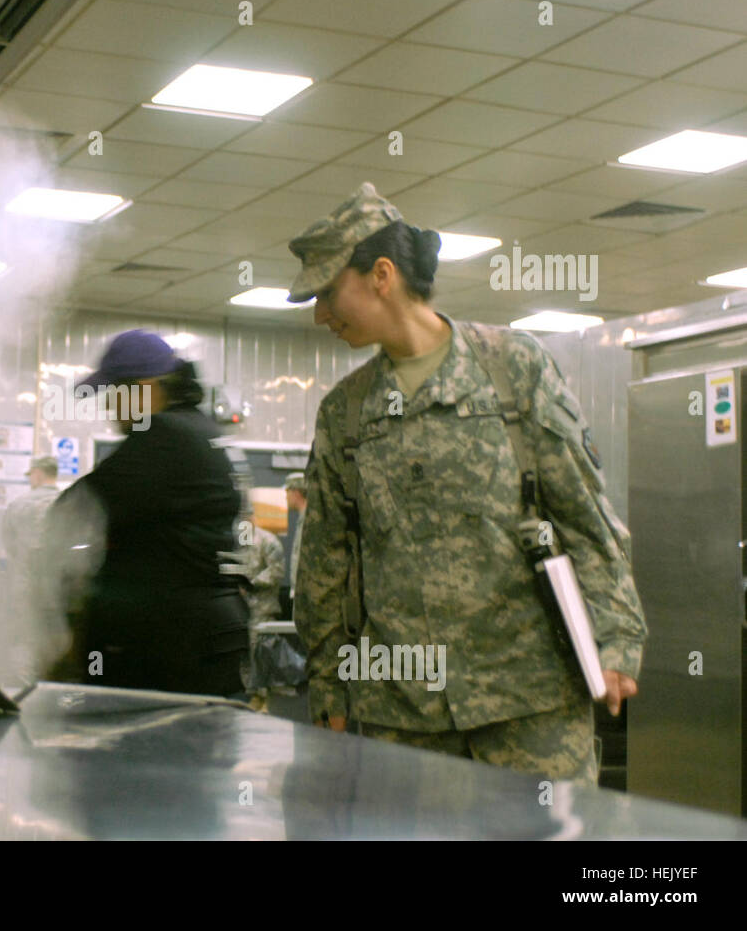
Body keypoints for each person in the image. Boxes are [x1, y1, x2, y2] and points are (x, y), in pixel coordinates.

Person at [286, 182, 647, 782]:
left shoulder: (512, 370)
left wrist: (615, 642)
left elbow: (587, 518)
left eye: (328, 292)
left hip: (530, 708)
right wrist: (328, 690)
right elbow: (323, 569)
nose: (322, 313)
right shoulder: (345, 413)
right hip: (401, 717)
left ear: (381, 274)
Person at [38, 330, 250, 696]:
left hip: (169, 652)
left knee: (148, 752)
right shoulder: (204, 430)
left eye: (114, 394)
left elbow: (70, 511)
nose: (109, 407)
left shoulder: (161, 436)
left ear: (147, 386)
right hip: (212, 636)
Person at [2, 456, 62, 672]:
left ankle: (24, 688)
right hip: (58, 589)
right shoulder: (67, 502)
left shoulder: (19, 505)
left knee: (25, 640)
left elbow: (8, 544)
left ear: (37, 473)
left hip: (25, 586)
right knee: (55, 641)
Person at [234, 511, 286, 711]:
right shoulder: (240, 543)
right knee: (245, 654)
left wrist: (252, 583)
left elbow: (276, 571)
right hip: (241, 609)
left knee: (261, 653)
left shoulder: (268, 540)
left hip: (262, 609)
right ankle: (252, 695)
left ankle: (265, 698)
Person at [284, 472, 307, 604]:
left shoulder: (309, 520)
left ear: (296, 492)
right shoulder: (303, 518)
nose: (285, 497)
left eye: (287, 491)